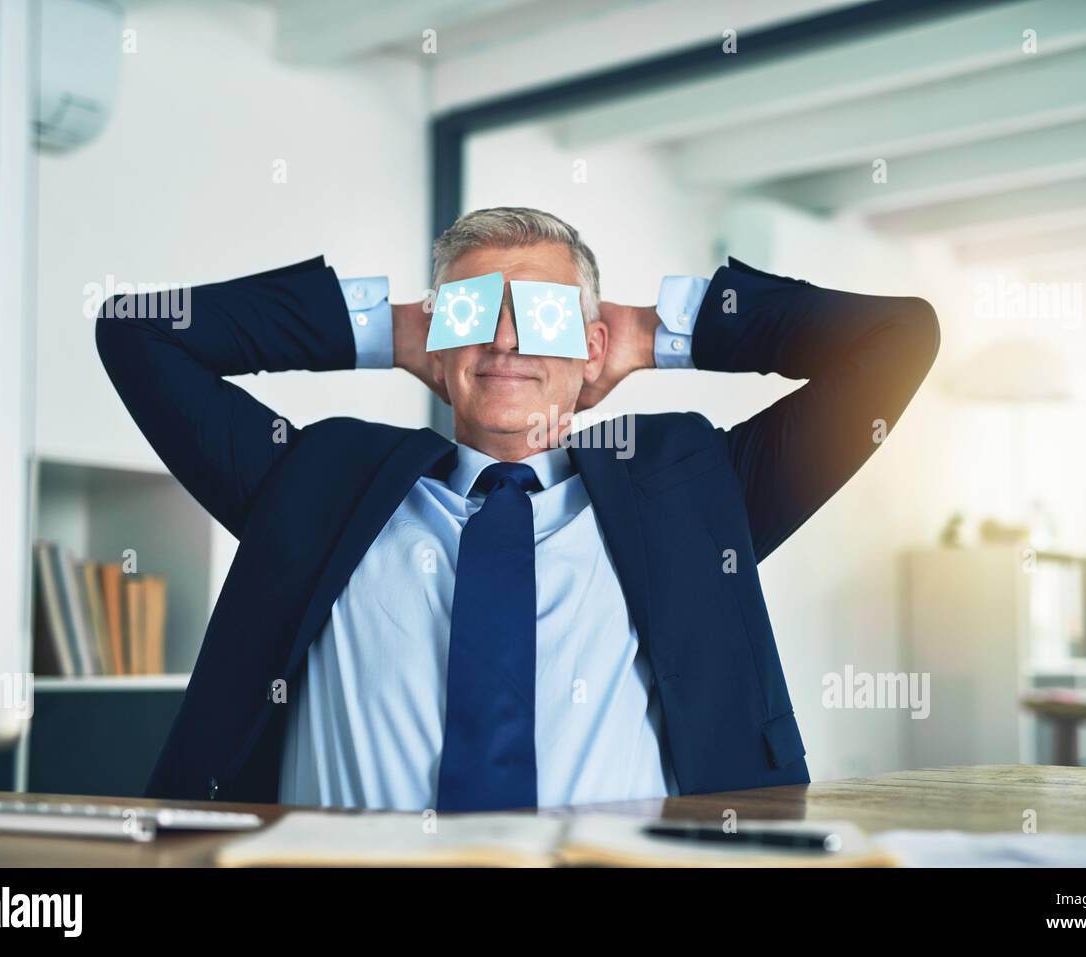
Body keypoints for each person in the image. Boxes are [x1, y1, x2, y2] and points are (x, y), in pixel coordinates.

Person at [96, 207, 940, 809]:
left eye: (542, 316)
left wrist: (651, 332)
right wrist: (392, 330)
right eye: (471, 313)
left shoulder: (693, 493)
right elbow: (138, 332)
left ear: (591, 345)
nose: (504, 341)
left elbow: (897, 341)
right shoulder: (318, 484)